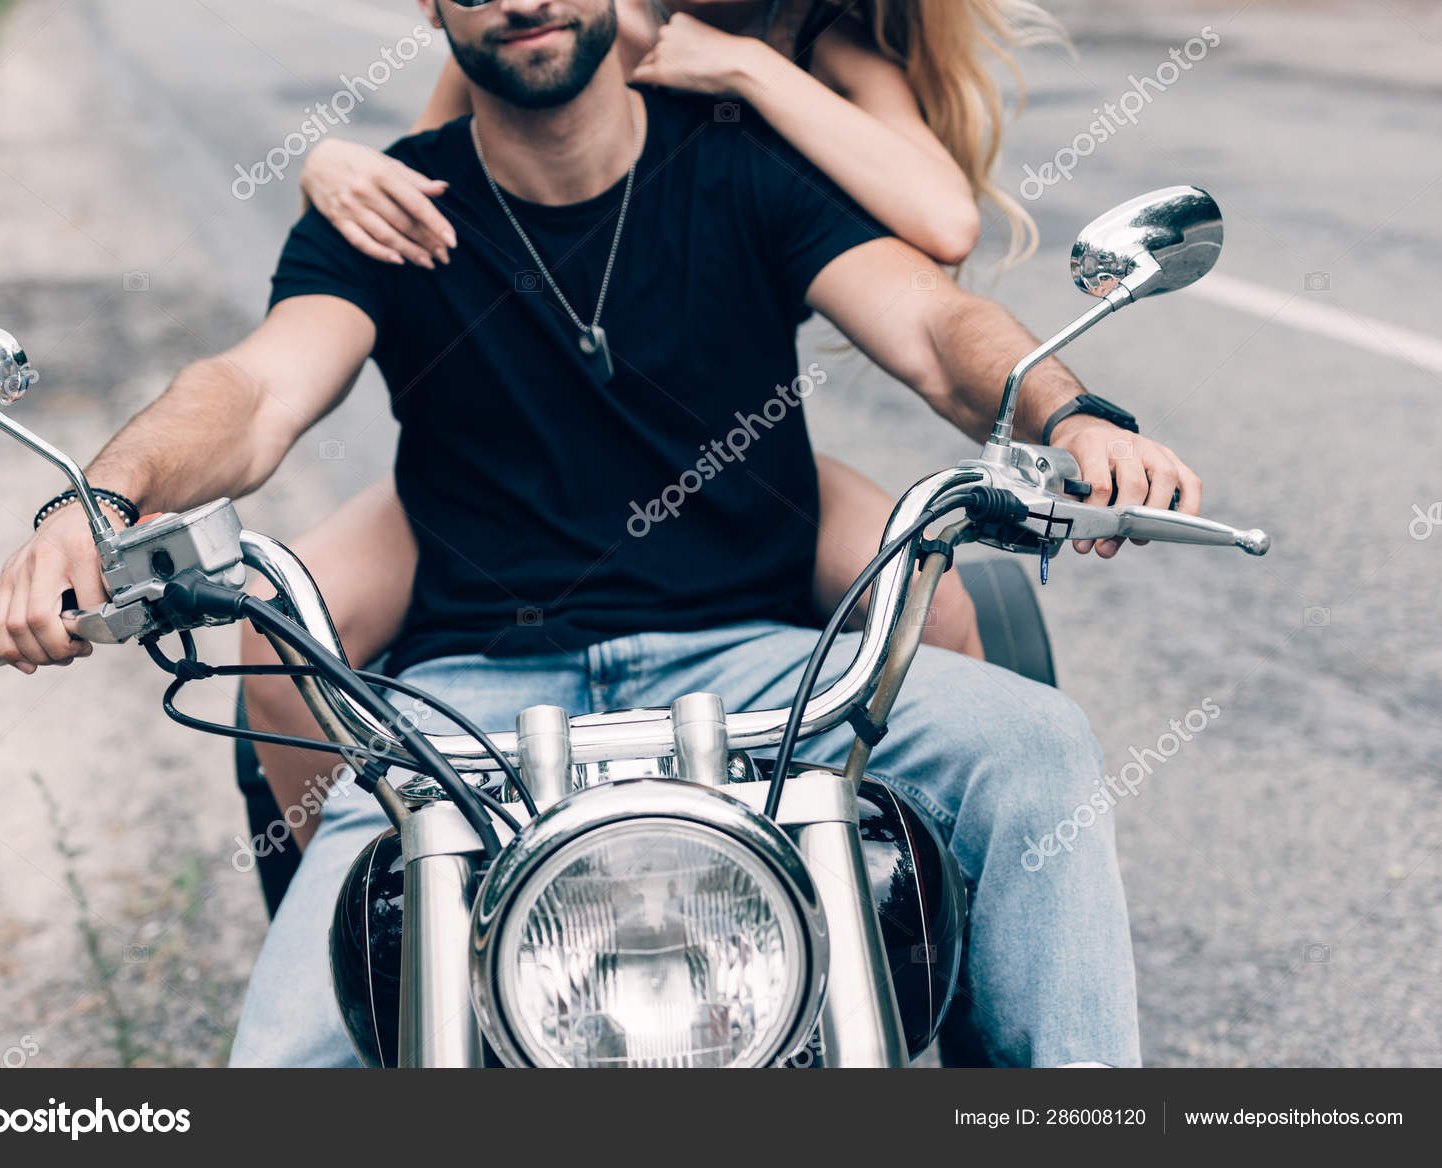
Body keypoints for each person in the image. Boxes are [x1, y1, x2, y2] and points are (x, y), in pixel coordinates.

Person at [0, 0, 1202, 1067]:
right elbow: (252, 394)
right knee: (295, 1048)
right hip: (459, 717)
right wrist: (96, 504)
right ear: (432, 7)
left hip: (760, 669)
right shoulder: (396, 214)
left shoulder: (747, 170)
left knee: (1033, 739)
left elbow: (938, 324)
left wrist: (1068, 409)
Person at [241, 0, 1068, 840]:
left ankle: (928, 891)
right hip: (524, 432)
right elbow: (432, 200)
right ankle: (366, 919)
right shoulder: (565, 17)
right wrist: (333, 166)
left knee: (931, 602)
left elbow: (946, 224)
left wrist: (742, 68)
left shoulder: (837, 47)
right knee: (275, 630)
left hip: (716, 418)